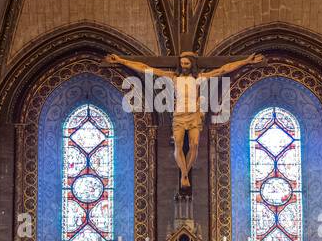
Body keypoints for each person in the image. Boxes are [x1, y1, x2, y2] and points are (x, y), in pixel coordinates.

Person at [104, 50, 264, 191]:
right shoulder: (173, 78)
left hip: (194, 115)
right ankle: (184, 175)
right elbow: (146, 68)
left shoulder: (200, 78)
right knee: (179, 144)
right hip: (179, 116)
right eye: (182, 63)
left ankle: (184, 173)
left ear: (192, 64)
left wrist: (246, 61)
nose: (184, 65)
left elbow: (224, 69)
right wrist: (121, 60)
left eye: (187, 63)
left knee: (194, 145)